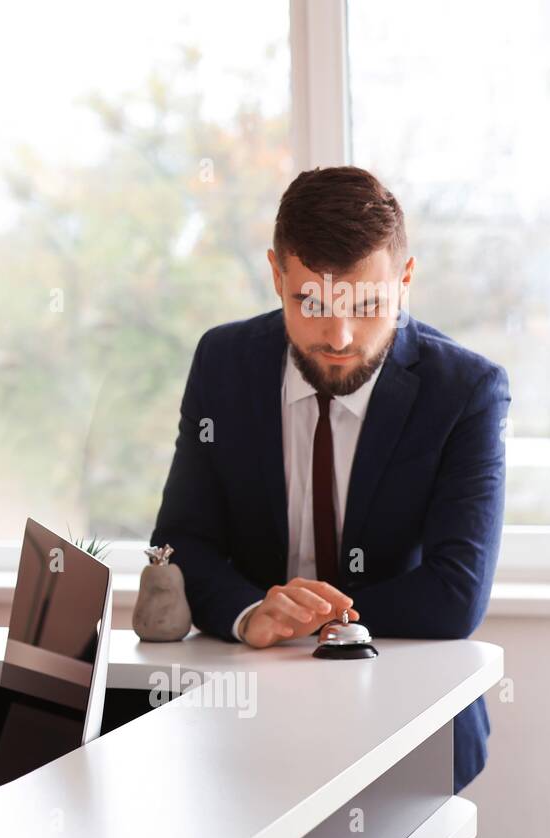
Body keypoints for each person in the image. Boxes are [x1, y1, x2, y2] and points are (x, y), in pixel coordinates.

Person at [151, 166, 508, 798]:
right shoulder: (223, 363)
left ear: (405, 279)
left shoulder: (465, 391)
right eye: (311, 304)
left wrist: (310, 621)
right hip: (244, 713)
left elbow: (455, 593)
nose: (339, 338)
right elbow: (180, 547)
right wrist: (249, 613)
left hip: (409, 724)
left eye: (367, 306)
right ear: (276, 275)